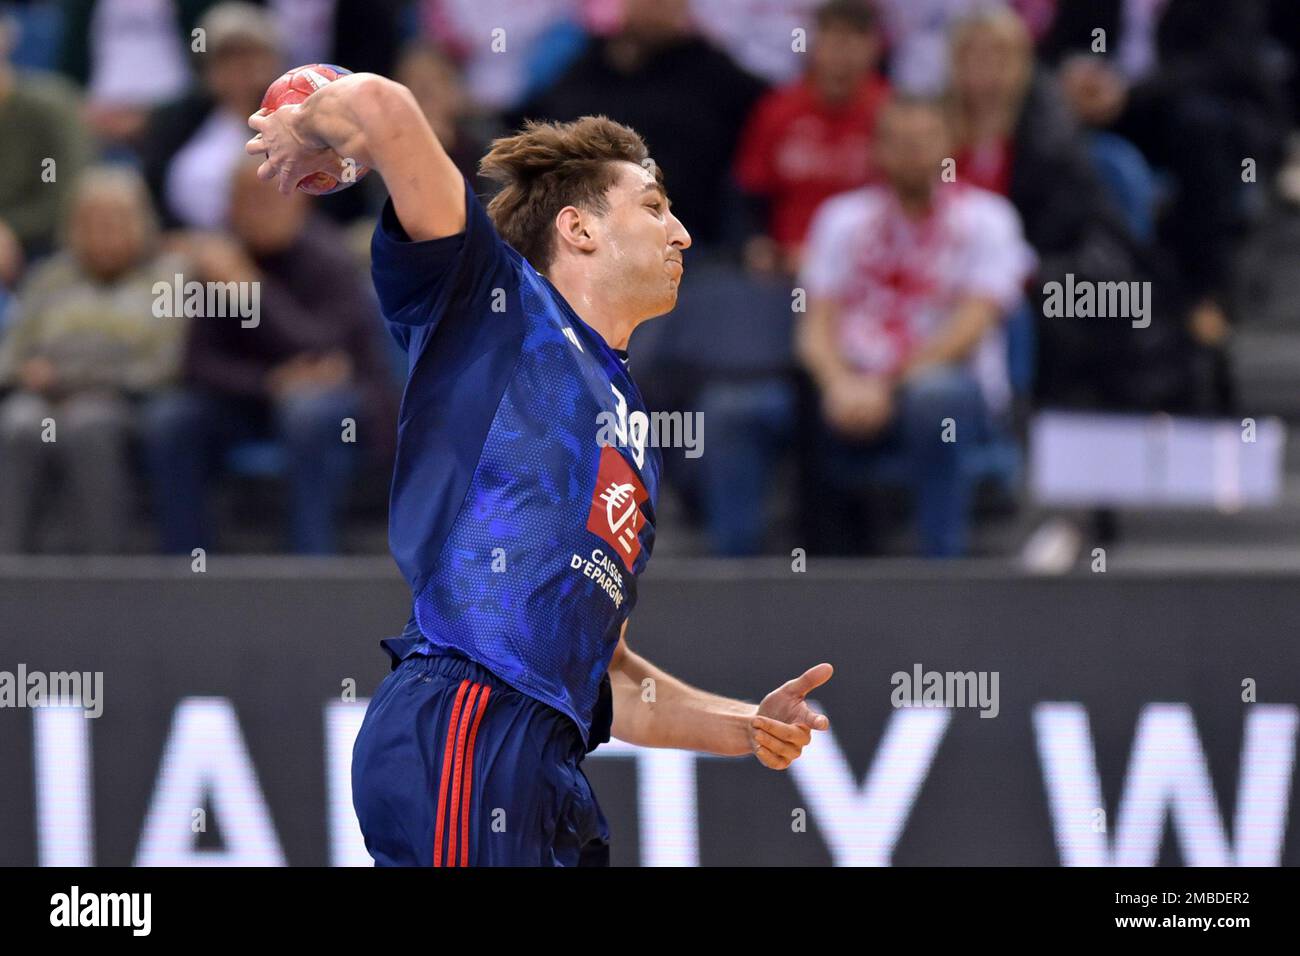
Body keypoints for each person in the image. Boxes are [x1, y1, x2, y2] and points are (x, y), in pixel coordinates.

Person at [247, 73, 833, 866]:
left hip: (548, 758)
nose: (685, 233)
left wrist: (749, 727)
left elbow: (610, 678)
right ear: (578, 228)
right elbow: (384, 109)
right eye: (656, 206)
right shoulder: (494, 301)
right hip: (463, 720)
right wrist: (307, 124)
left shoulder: (630, 429)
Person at [796, 96, 1034, 557]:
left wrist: (885, 385)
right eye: (899, 142)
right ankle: (805, 583)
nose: (912, 153)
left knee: (935, 400)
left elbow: (972, 324)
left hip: (949, 388)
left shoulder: (988, 219)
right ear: (878, 149)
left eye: (924, 140)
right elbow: (815, 326)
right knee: (764, 403)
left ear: (950, 145)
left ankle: (939, 567)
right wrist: (838, 383)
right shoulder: (841, 218)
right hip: (853, 388)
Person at [144, 159, 393, 555]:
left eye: (270, 198)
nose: (255, 211)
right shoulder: (220, 267)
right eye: (244, 200)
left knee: (306, 411)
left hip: (346, 406)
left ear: (300, 202)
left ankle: (310, 562)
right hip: (253, 402)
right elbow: (198, 365)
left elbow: (320, 349)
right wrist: (268, 383)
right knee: (172, 419)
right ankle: (186, 561)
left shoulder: (330, 259)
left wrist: (250, 289)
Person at [0, 167, 187, 553]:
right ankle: (10, 567)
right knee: (19, 424)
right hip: (41, 400)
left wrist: (71, 376)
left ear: (142, 223)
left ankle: (102, 572)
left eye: (115, 221)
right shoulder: (49, 277)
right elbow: (11, 355)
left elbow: (165, 366)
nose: (103, 234)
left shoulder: (170, 279)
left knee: (88, 425)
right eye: (91, 222)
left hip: (123, 401)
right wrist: (22, 372)